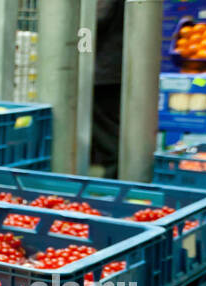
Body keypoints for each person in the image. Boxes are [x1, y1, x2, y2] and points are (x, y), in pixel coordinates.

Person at [92, 0, 124, 178]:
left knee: (106, 129)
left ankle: (114, 177)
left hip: (104, 69)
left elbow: (95, 18)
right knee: (110, 125)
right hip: (112, 66)